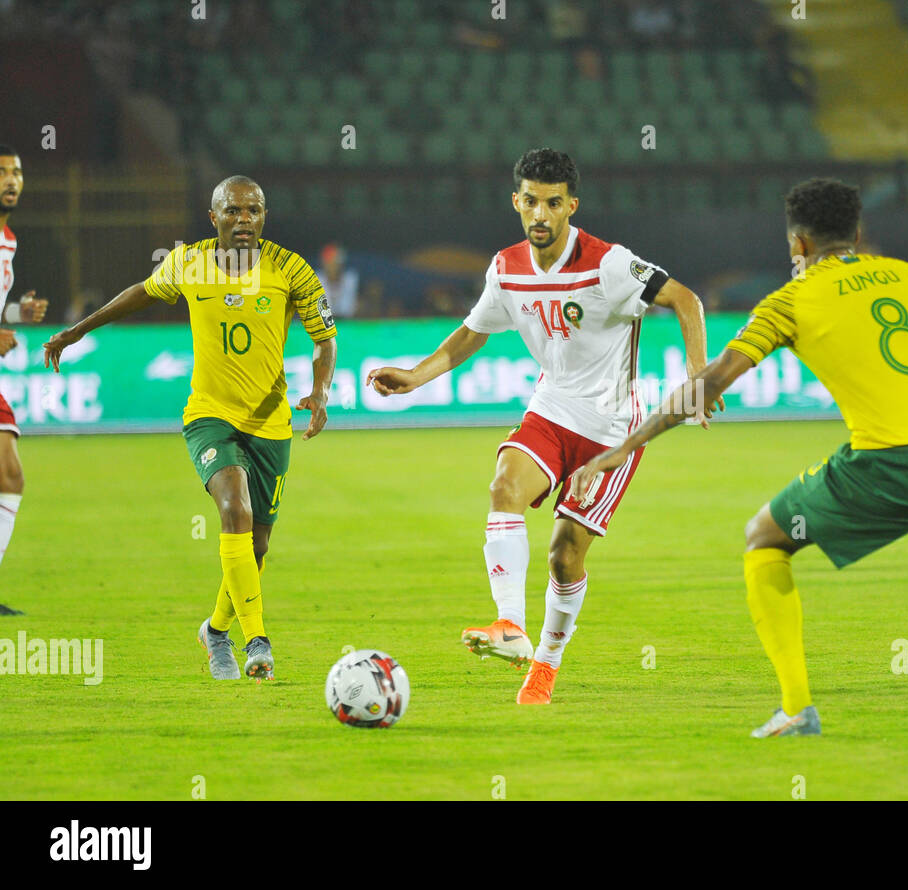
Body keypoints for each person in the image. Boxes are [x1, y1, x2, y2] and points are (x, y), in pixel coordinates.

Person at [573, 178, 908, 738]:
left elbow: (711, 383)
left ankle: (797, 707)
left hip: (892, 464)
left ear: (798, 246)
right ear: (857, 233)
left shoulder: (789, 301)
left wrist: (625, 446)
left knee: (764, 538)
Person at [366, 148, 722, 705]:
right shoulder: (506, 267)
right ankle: (510, 627)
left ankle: (547, 665)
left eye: (553, 203)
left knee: (564, 554)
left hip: (611, 430)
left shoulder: (607, 263)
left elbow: (686, 299)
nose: (540, 213)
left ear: (570, 206)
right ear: (516, 202)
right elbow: (473, 331)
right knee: (503, 485)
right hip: (552, 410)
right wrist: (417, 376)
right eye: (530, 201)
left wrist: (700, 377)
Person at [43, 175, 338, 677]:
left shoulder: (292, 270)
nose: (244, 220)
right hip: (209, 416)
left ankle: (216, 630)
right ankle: (258, 642)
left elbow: (324, 337)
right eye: (233, 211)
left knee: (257, 545)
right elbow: (142, 292)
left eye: (254, 211)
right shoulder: (187, 261)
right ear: (213, 216)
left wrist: (322, 388)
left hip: (270, 421)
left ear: (264, 217)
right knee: (234, 508)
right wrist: (78, 329)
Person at [0, 143, 49, 615]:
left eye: (17, 172)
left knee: (9, 474)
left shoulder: (8, 240)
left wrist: (15, 312)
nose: (11, 180)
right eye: (2, 173)